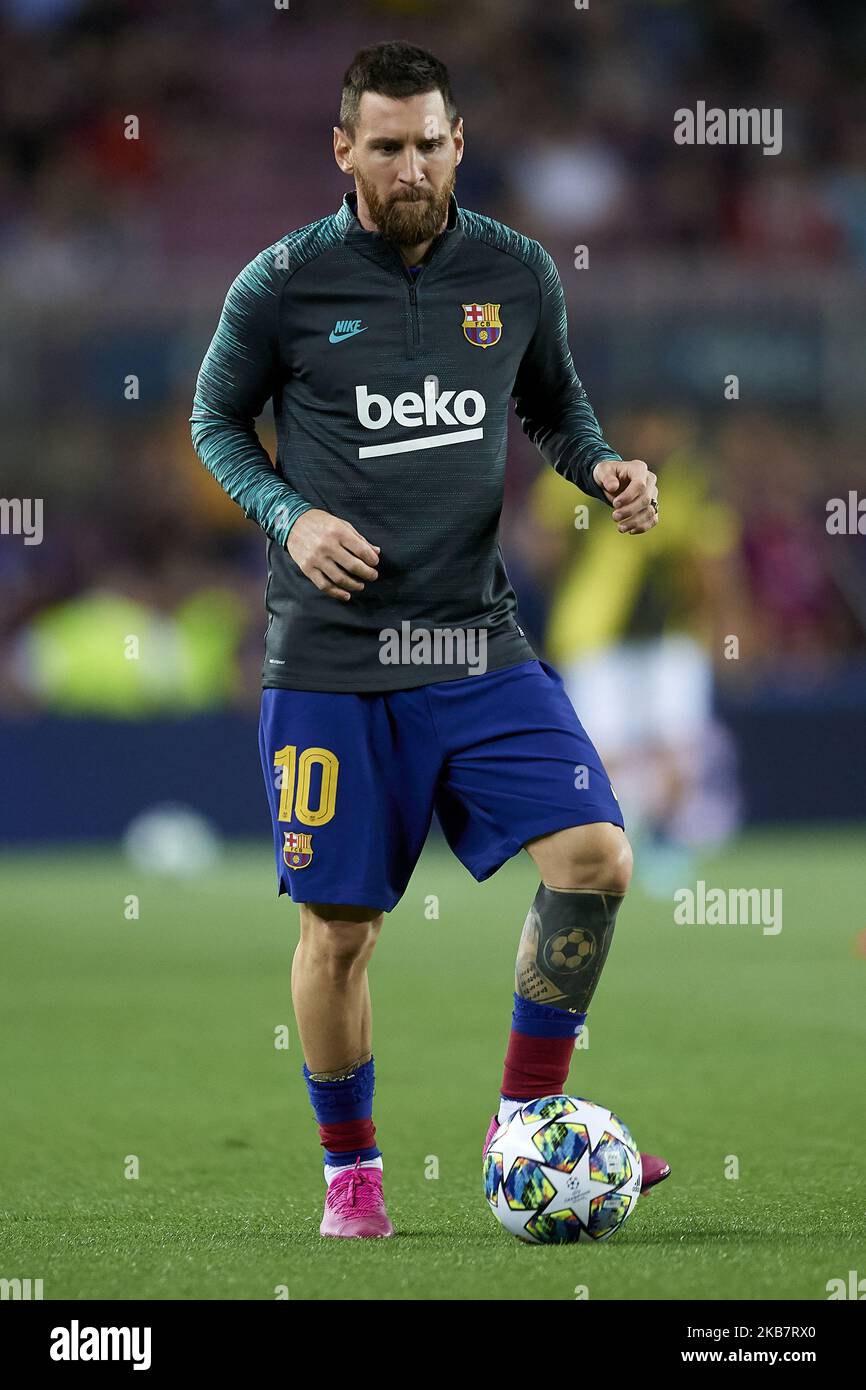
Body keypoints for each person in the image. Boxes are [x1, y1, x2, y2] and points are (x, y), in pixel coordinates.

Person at [190, 40, 668, 1239]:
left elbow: (552, 404)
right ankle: (351, 1178)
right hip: (333, 662)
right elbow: (214, 422)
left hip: (473, 641)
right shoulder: (283, 282)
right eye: (387, 146)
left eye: (431, 143)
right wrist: (290, 519)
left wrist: (599, 463)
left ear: (460, 140)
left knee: (596, 859)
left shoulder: (510, 270)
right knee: (340, 934)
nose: (412, 167)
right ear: (342, 148)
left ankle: (525, 1127)